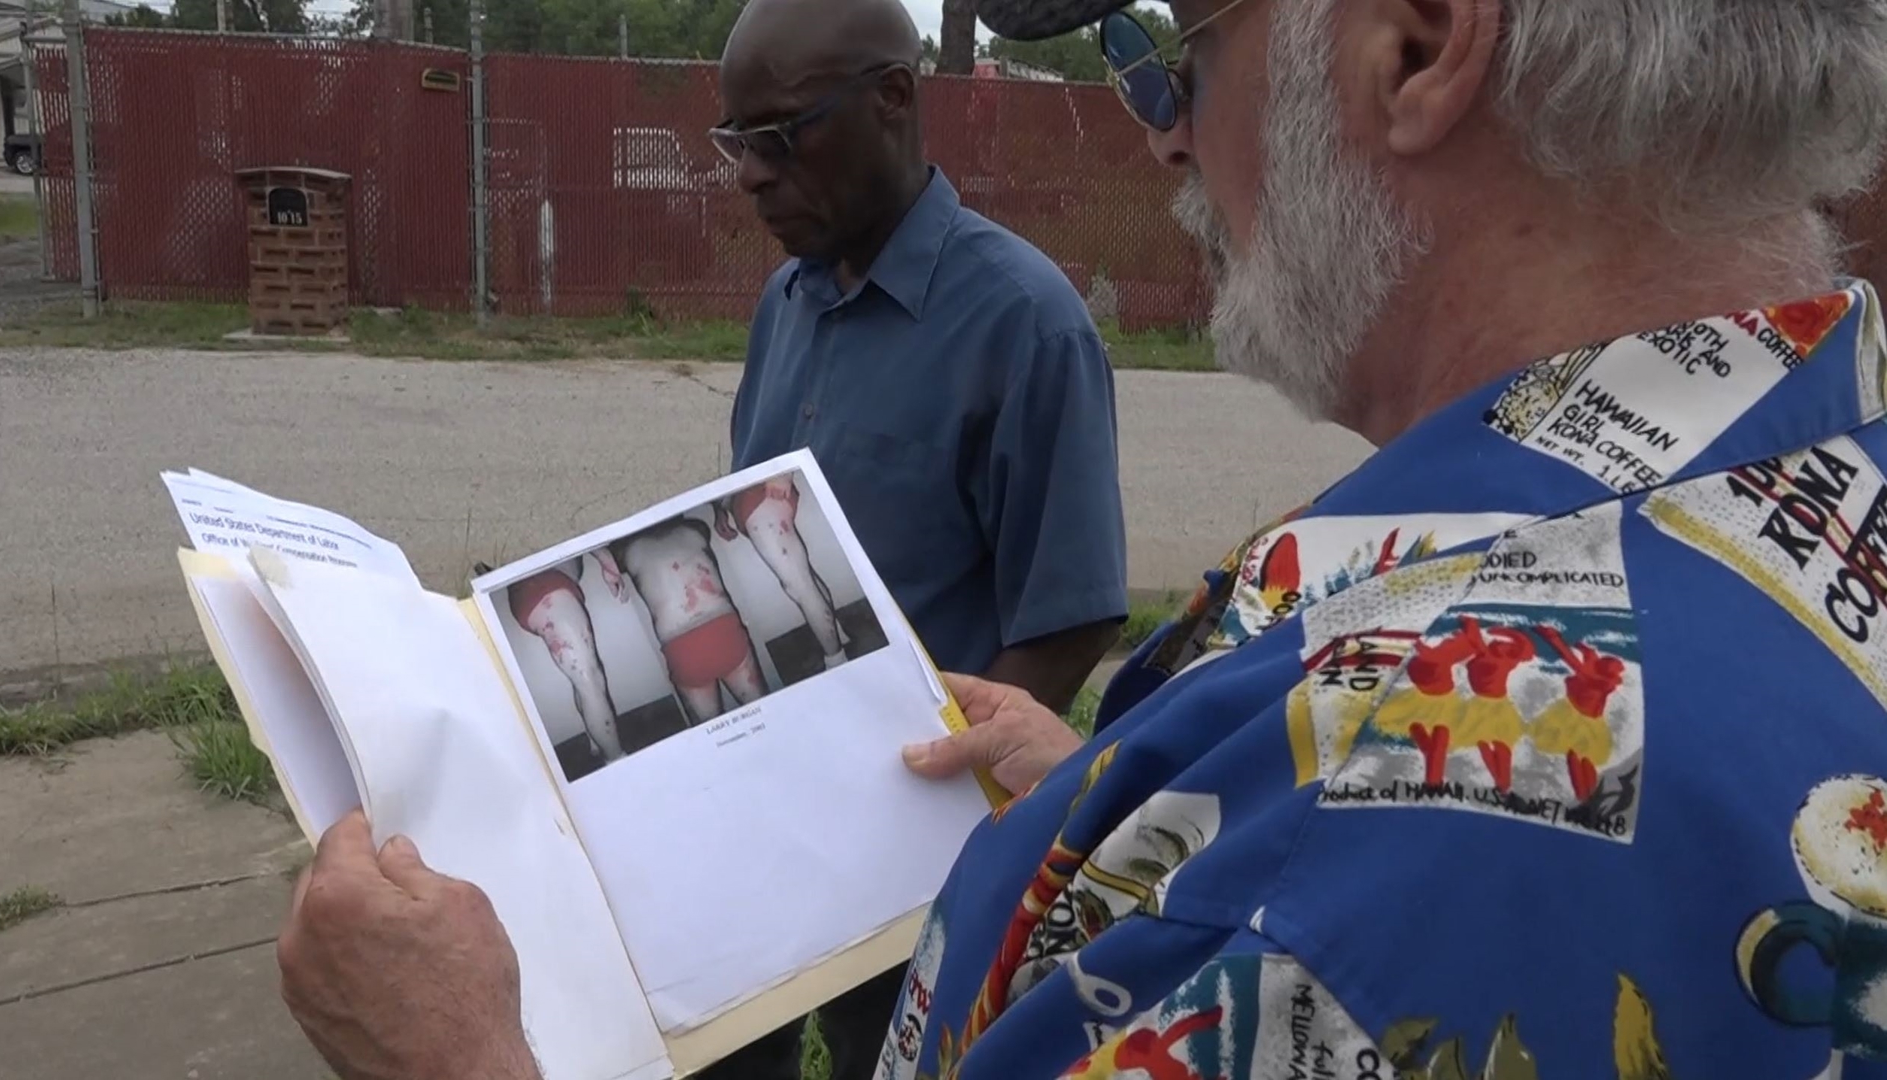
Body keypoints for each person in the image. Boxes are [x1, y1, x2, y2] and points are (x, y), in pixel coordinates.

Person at [275, 0, 1887, 1077]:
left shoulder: (1394, 807)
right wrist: (1117, 799)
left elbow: (1390, 861)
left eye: (1172, 56)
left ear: (1415, 45)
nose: (1166, 136)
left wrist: (467, 1058)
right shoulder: (1796, 498)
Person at [708, 0, 1131, 1071]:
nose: (750, 174)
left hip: (911, 867)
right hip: (753, 824)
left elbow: (1069, 618)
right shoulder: (784, 304)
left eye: (780, 137)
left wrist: (917, 817)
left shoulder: (1025, 323)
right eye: (735, 143)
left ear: (895, 98)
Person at [601, 517, 769, 725]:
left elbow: (594, 545)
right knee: (764, 713)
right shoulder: (695, 528)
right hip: (722, 630)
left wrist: (604, 560)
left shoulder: (627, 550)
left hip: (681, 647)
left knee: (711, 733)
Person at [715, 473, 852, 672]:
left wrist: (782, 473)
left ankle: (837, 661)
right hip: (750, 503)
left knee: (799, 587)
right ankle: (838, 636)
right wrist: (718, 509)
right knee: (804, 580)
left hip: (759, 499)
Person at [503, 558, 624, 762]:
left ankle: (597, 742)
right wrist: (605, 559)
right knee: (589, 678)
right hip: (546, 583)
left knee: (583, 680)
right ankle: (618, 761)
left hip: (539, 587)